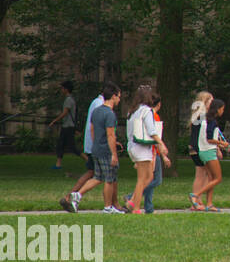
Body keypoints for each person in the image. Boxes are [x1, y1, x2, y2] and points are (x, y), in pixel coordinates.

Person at [59, 83, 108, 213]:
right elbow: (97, 126)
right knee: (104, 176)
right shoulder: (99, 105)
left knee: (91, 172)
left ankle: (69, 197)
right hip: (95, 145)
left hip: (92, 144)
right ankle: (75, 196)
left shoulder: (95, 102)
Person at [78, 84, 124, 214]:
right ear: (113, 96)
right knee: (109, 179)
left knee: (97, 177)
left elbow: (92, 129)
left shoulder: (96, 111)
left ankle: (77, 195)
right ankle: (107, 207)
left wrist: (96, 143)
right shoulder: (110, 114)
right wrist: (114, 154)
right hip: (106, 151)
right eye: (119, 97)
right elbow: (110, 135)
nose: (119, 100)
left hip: (96, 148)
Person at [125, 84, 162, 214]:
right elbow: (151, 130)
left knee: (149, 176)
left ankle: (133, 201)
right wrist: (161, 143)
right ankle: (135, 207)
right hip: (141, 147)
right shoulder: (146, 110)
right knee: (142, 179)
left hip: (132, 146)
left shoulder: (132, 111)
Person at [193, 98, 230, 211]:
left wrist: (219, 145)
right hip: (209, 152)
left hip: (204, 151)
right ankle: (196, 195)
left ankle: (209, 204)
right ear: (218, 109)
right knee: (218, 178)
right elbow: (209, 139)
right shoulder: (212, 121)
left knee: (211, 178)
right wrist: (221, 143)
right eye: (222, 109)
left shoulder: (206, 120)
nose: (223, 111)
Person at [141, 91, 170, 214]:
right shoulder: (154, 116)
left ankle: (149, 207)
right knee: (156, 180)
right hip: (153, 152)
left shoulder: (143, 114)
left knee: (149, 179)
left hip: (148, 151)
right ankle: (133, 196)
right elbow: (156, 136)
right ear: (159, 104)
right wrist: (164, 156)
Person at [189, 91, 213, 205]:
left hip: (193, 146)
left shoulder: (197, 115)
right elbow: (203, 135)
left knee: (201, 174)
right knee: (205, 175)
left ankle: (197, 200)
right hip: (199, 147)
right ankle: (196, 199)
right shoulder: (203, 116)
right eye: (211, 101)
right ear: (205, 101)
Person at [48, 80, 77, 170]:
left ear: (66, 89)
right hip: (66, 126)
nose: (61, 90)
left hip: (68, 126)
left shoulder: (68, 100)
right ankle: (58, 164)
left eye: (62, 88)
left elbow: (65, 113)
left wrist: (54, 121)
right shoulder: (70, 99)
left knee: (72, 147)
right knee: (60, 145)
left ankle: (88, 159)